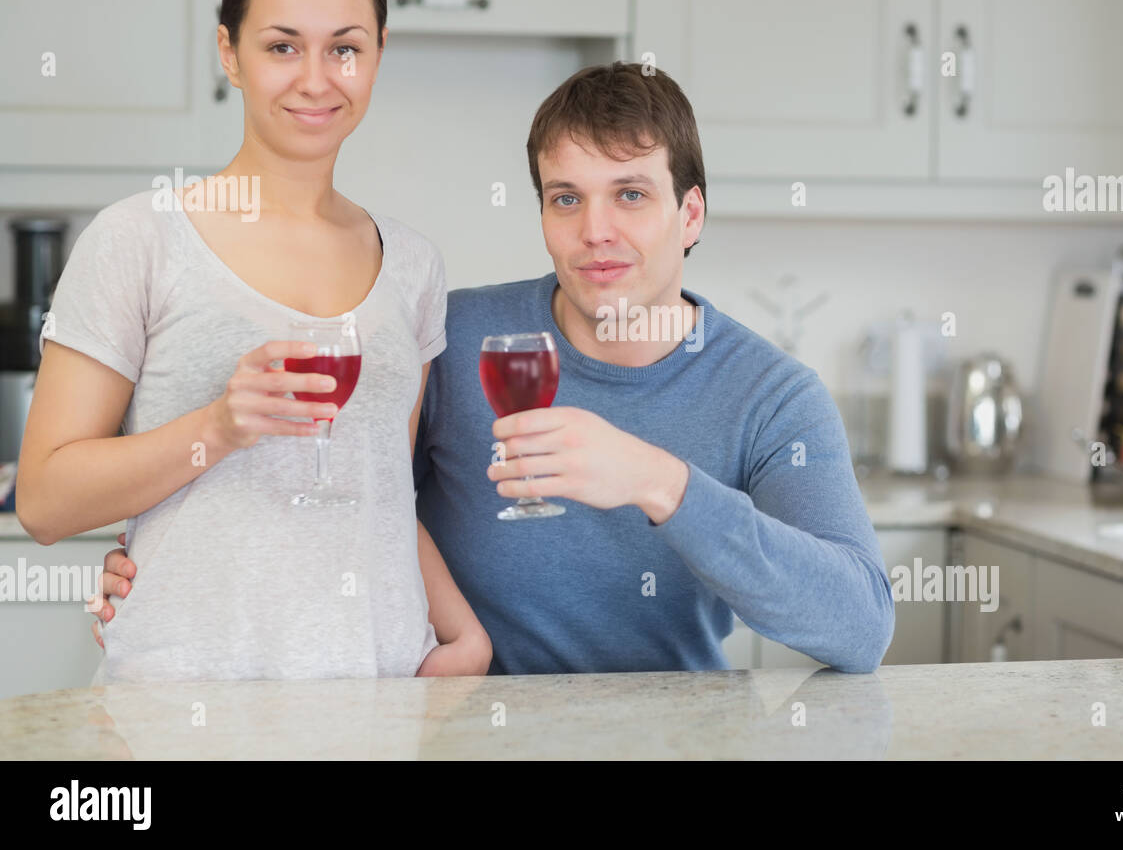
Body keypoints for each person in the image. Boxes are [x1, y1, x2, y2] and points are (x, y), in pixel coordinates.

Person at [95, 62, 894, 675]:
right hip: (459, 728)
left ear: (690, 214)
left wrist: (660, 482)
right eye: (567, 199)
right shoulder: (460, 334)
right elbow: (343, 500)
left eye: (631, 195)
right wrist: (169, 567)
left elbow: (860, 626)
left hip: (671, 739)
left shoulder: (770, 397)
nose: (597, 232)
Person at [21, 0, 490, 682]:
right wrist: (217, 427)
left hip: (376, 705)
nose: (316, 78)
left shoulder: (411, 267)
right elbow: (43, 500)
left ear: (376, 58)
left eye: (345, 46)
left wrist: (462, 637)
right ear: (228, 54)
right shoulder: (140, 239)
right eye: (281, 46)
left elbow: (379, 491)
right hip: (191, 707)